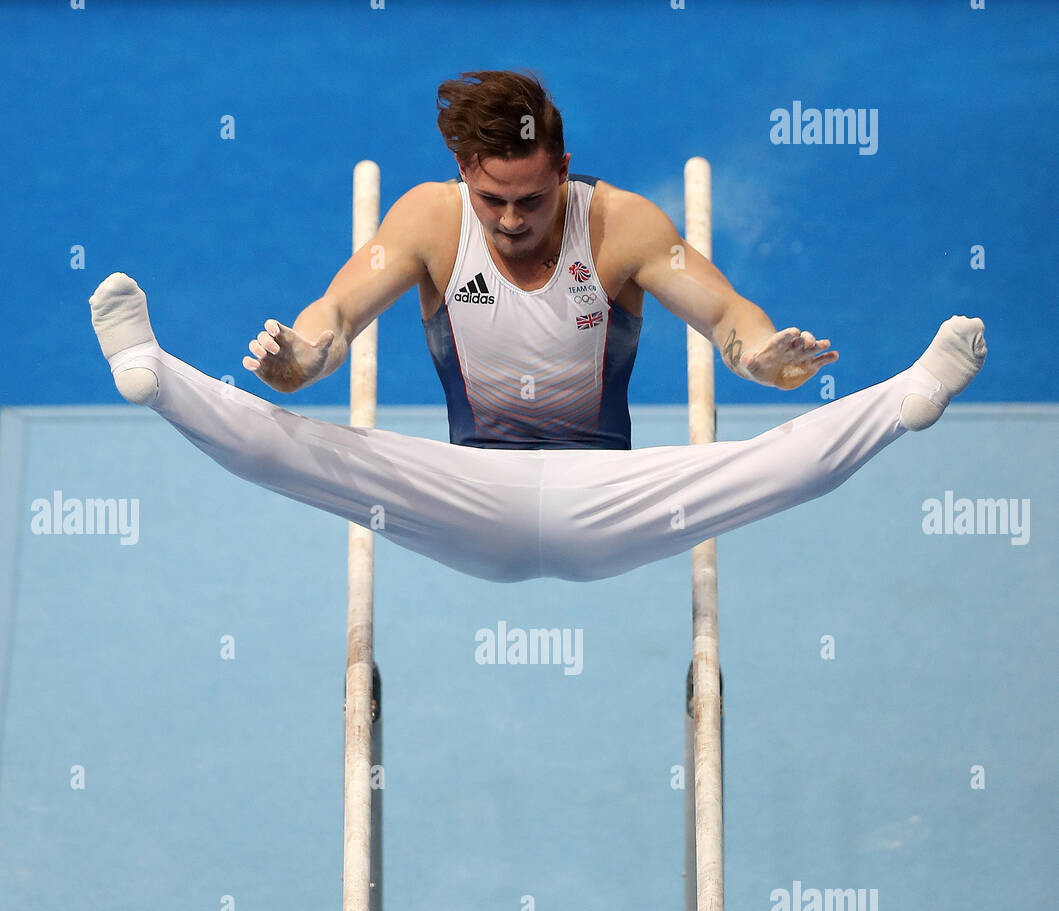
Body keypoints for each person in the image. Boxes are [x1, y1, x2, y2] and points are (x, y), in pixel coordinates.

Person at [89, 69, 986, 583]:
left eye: (529, 198)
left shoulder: (622, 225)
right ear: (461, 174)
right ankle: (156, 373)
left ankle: (906, 395)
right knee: (298, 449)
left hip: (613, 500)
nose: (511, 219)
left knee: (769, 467)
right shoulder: (428, 220)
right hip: (466, 493)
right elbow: (328, 326)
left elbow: (730, 321)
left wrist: (769, 358)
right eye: (492, 200)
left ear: (562, 167)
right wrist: (293, 362)